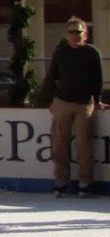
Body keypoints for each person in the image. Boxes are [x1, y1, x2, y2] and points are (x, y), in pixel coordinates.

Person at [43, 17, 102, 196]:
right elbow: (51, 77)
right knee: (60, 143)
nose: (75, 35)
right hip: (63, 102)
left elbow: (97, 80)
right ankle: (61, 180)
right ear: (66, 34)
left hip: (84, 103)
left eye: (78, 31)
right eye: (71, 32)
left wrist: (97, 100)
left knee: (84, 143)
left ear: (85, 33)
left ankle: (85, 181)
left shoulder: (92, 53)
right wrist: (49, 100)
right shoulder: (61, 53)